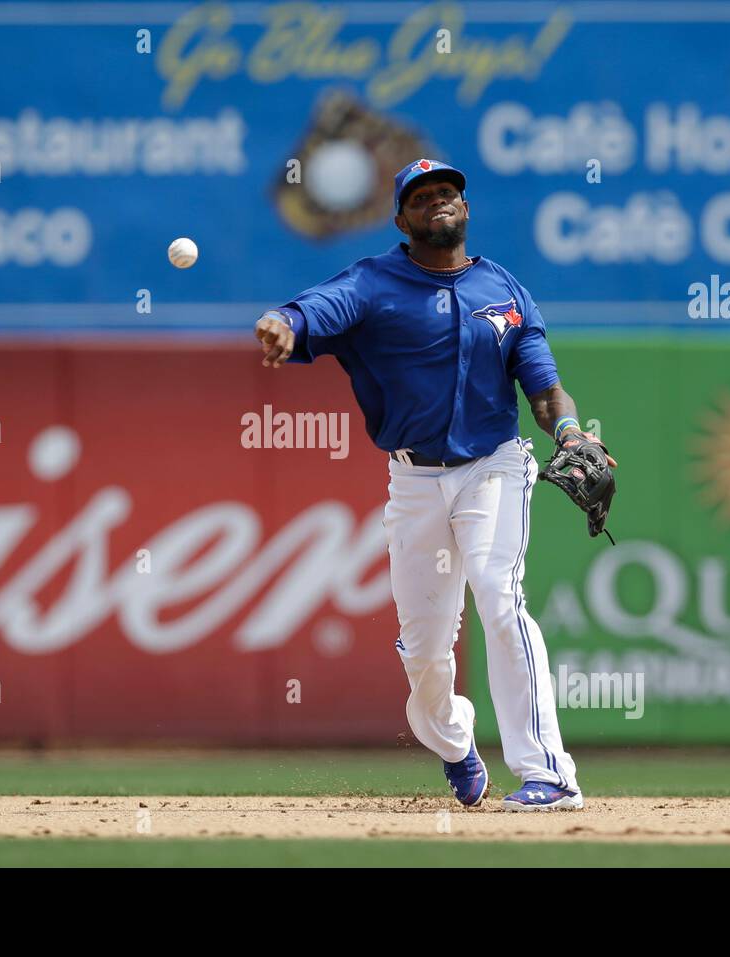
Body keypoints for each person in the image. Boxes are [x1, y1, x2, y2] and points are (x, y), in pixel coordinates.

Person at [253, 159, 616, 810]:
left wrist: (569, 432)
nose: (438, 201)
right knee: (423, 652)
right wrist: (286, 322)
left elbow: (543, 385)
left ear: (466, 209)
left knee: (499, 594)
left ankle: (548, 772)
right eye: (421, 197)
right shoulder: (374, 283)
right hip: (414, 478)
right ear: (401, 219)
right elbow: (316, 309)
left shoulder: (505, 292)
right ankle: (455, 743)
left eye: (448, 192)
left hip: (494, 464)